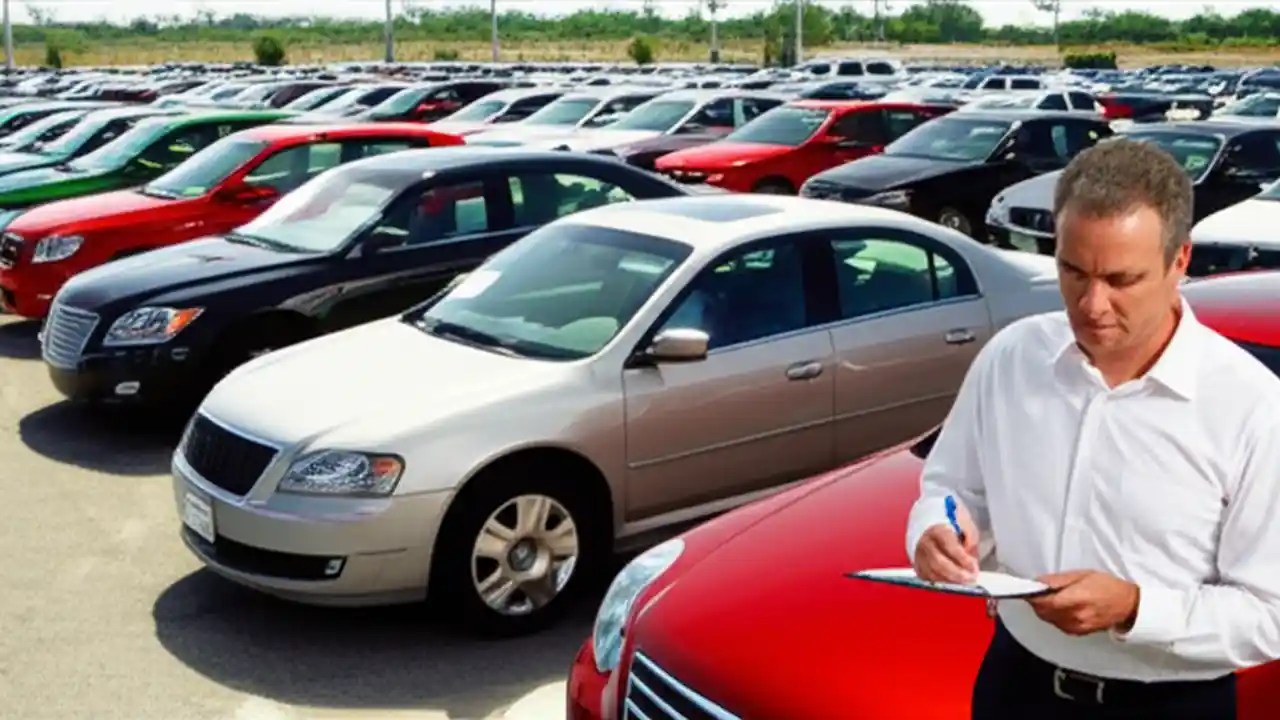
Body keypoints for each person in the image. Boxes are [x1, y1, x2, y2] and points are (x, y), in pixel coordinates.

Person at [905, 138, 1280, 719]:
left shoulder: (1253, 408)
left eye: (1121, 279)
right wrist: (936, 530)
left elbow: (1269, 615)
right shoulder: (1012, 358)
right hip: (1016, 685)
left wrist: (1134, 608)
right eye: (1072, 271)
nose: (1092, 303)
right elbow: (951, 488)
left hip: (1168, 707)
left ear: (1180, 260)